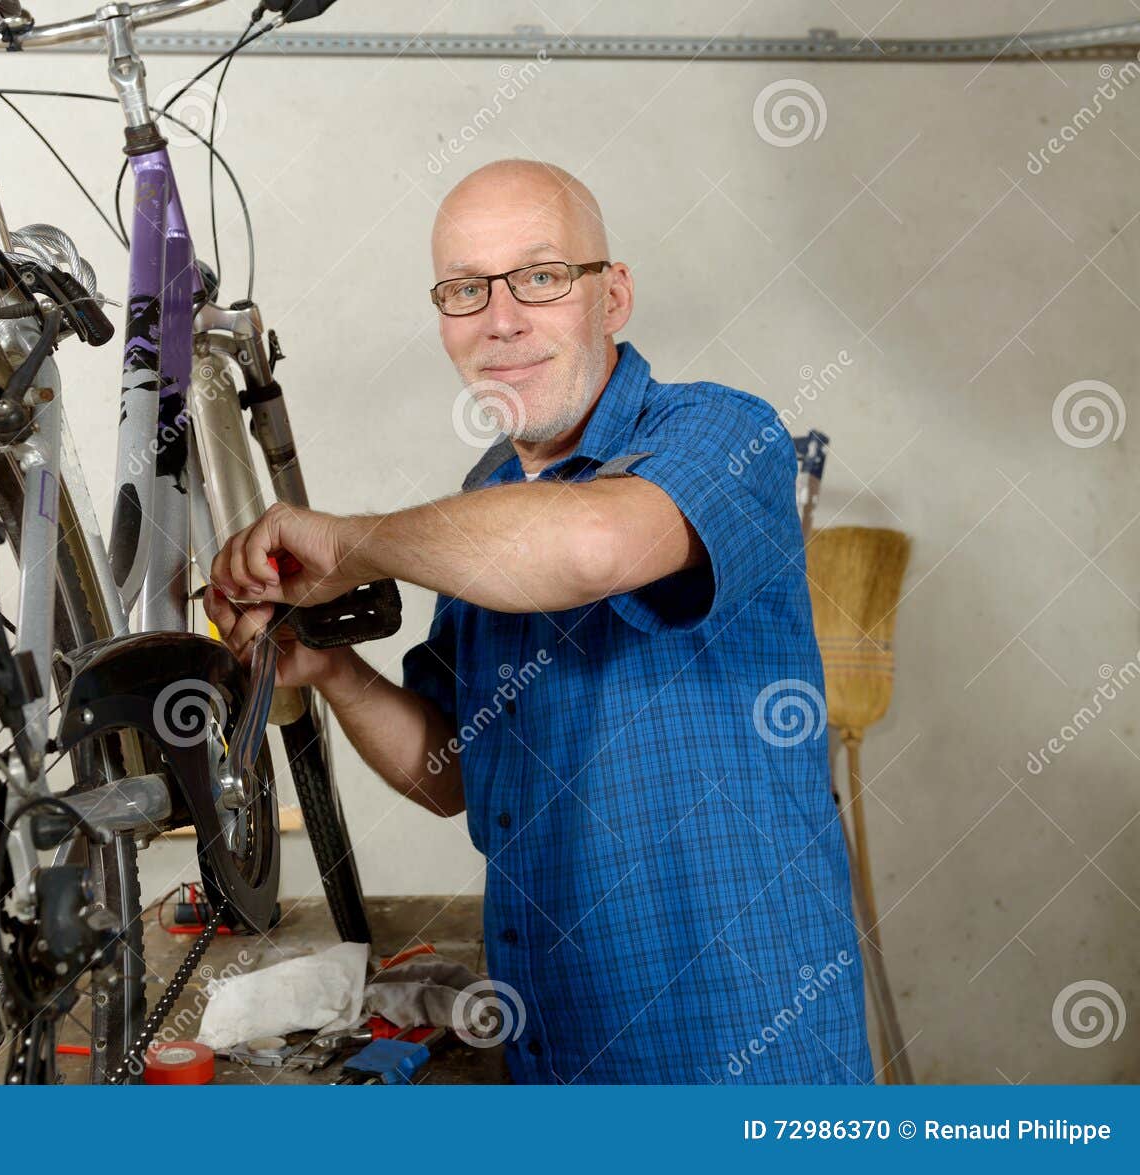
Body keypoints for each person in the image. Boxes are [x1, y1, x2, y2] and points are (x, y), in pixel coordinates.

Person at [203, 159, 872, 1085]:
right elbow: (452, 774)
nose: (502, 317)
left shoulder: (725, 433)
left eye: (542, 277)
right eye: (466, 289)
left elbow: (595, 545)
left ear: (614, 295)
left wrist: (352, 545)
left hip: (736, 1060)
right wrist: (335, 676)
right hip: (556, 1055)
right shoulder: (482, 507)